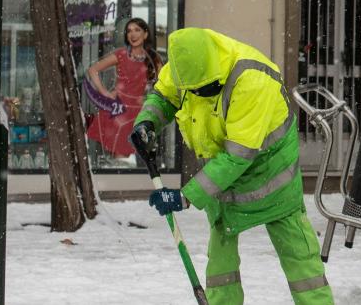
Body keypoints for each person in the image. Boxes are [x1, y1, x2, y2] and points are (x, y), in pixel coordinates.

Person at [131, 28, 333, 305]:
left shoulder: (252, 80)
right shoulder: (184, 66)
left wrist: (184, 197)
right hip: (221, 177)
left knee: (300, 262)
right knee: (221, 269)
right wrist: (147, 123)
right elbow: (164, 97)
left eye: (206, 89)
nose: (200, 95)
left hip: (271, 176)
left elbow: (238, 156)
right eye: (194, 91)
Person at [85, 18, 162, 159]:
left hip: (138, 112)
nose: (133, 34)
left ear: (145, 34)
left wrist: (147, 98)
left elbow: (163, 86)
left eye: (137, 30)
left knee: (131, 160)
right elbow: (93, 70)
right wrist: (105, 93)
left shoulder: (153, 58)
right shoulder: (121, 54)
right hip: (118, 110)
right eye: (129, 31)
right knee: (118, 160)